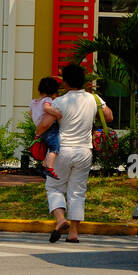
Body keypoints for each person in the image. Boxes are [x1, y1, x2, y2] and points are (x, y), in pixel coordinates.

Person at [35, 63, 113, 243]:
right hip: (85, 151)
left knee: (53, 187)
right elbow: (109, 117)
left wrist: (37, 134)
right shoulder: (93, 99)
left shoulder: (59, 102)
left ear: (66, 82)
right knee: (77, 192)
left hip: (62, 151)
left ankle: (61, 219)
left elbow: (46, 124)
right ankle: (74, 233)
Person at [29, 77, 61, 179]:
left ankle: (43, 167)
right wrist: (57, 113)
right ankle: (49, 168)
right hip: (49, 128)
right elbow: (46, 108)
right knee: (54, 148)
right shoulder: (47, 100)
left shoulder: (33, 102)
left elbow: (31, 114)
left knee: (45, 147)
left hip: (39, 128)